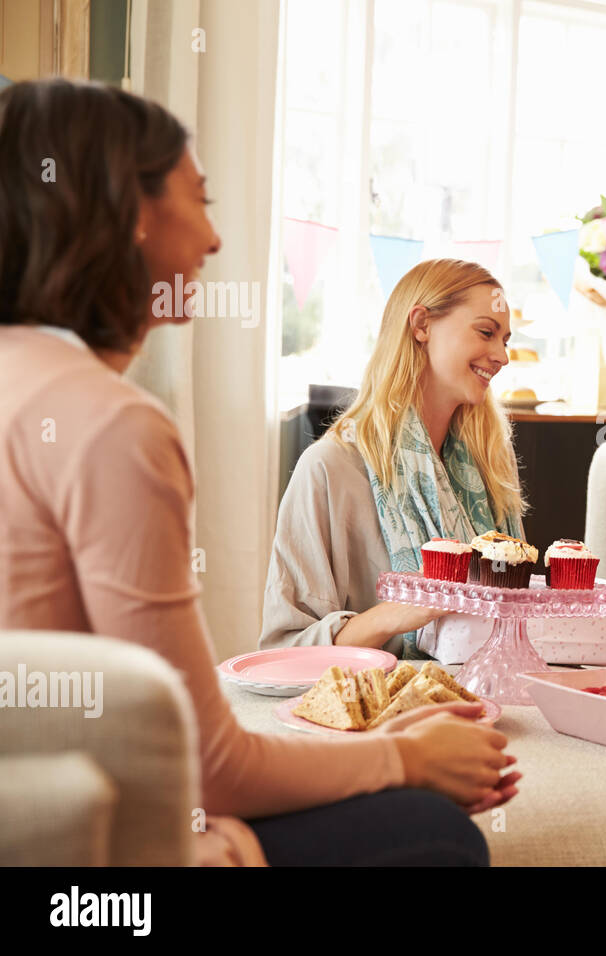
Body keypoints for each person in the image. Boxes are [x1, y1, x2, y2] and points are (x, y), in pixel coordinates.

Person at [0, 79, 518, 865]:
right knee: (437, 834)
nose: (213, 239)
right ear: (127, 214)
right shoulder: (113, 423)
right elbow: (209, 762)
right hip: (83, 839)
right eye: (198, 199)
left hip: (64, 785)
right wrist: (402, 759)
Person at [260, 258, 527, 660]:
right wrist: (399, 612)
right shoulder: (328, 469)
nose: (502, 356)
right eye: (486, 332)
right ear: (421, 325)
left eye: (504, 340)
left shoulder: (489, 468)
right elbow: (284, 652)